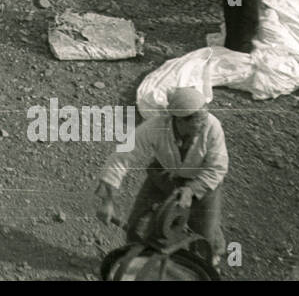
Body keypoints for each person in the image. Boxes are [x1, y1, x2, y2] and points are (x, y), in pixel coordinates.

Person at [96, 86, 228, 269]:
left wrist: (191, 189)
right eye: (198, 121)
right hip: (165, 175)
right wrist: (107, 201)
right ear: (180, 120)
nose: (204, 123)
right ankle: (139, 259)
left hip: (203, 180)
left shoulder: (212, 126)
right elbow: (121, 156)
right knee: (138, 224)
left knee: (205, 232)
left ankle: (211, 257)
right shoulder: (155, 127)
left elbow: (218, 167)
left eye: (204, 118)